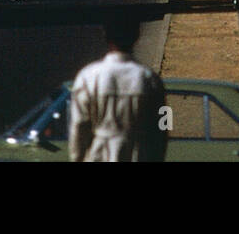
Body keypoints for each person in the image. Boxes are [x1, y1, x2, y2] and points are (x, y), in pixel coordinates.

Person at [68, 12, 167, 162]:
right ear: (136, 36)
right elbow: (160, 129)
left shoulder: (88, 77)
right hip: (137, 154)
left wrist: (77, 157)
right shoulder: (149, 79)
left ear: (106, 36)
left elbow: (79, 126)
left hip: (98, 155)